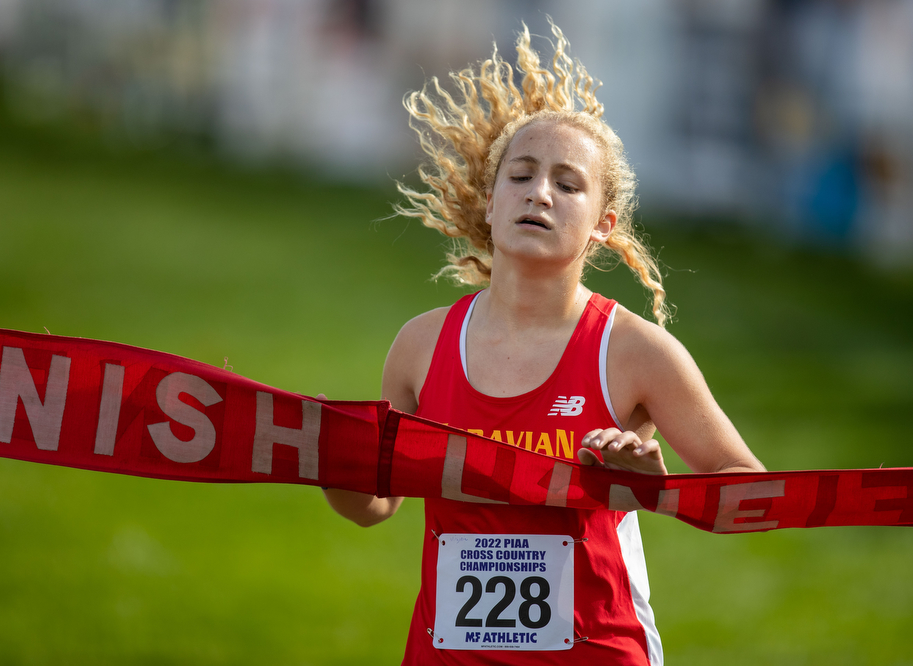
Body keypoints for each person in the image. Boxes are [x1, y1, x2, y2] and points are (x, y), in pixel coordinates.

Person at [323, 22, 765, 665]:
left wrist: (654, 487)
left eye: (568, 184)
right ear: (492, 201)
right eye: (521, 176)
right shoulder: (421, 346)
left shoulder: (637, 353)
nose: (539, 193)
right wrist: (331, 459)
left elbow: (748, 488)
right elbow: (376, 504)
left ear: (601, 226)